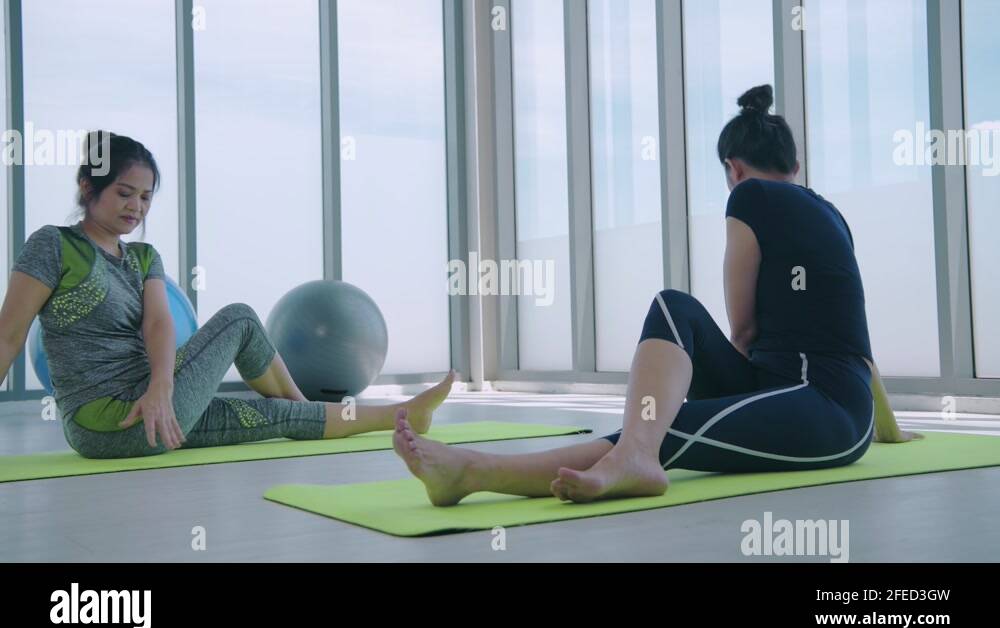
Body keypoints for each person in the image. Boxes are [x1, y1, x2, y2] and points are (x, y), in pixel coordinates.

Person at [390, 84, 921, 506]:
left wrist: (696, 401)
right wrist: (888, 430)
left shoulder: (751, 196)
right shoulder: (830, 212)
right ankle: (635, 452)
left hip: (822, 410)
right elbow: (857, 345)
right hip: (836, 405)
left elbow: (743, 330)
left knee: (661, 424)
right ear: (796, 169)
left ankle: (474, 472)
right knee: (673, 316)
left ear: (732, 169)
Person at [0, 131, 454, 459]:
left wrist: (160, 387)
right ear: (87, 187)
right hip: (106, 422)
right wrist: (157, 392)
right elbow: (9, 336)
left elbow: (159, 325)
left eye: (145, 198)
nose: (135, 208)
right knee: (239, 319)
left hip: (159, 409)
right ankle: (314, 410)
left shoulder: (142, 256)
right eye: (124, 193)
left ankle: (402, 417)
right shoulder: (53, 245)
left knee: (268, 417)